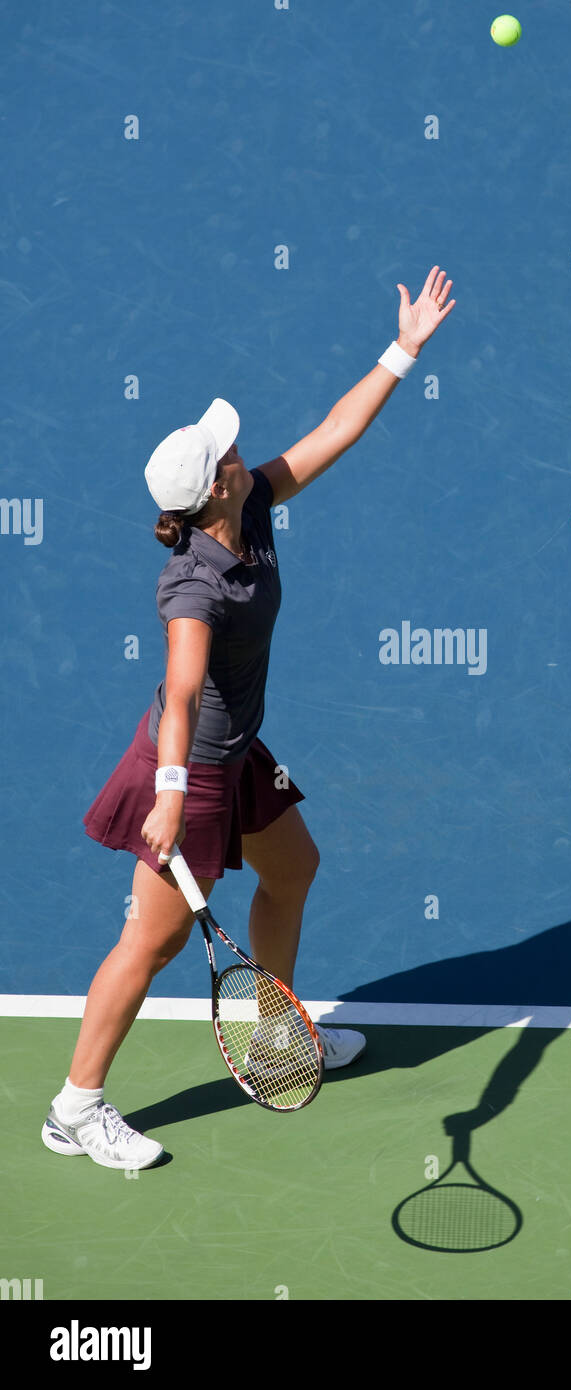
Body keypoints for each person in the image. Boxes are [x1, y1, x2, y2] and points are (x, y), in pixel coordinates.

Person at [42, 266, 456, 1169]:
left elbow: (333, 434)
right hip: (186, 772)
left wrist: (403, 349)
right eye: (228, 453)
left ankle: (273, 1039)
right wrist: (168, 788)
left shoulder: (251, 503)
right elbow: (182, 692)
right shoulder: (193, 586)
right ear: (213, 488)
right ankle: (76, 1107)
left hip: (236, 754)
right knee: (150, 945)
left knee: (294, 868)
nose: (241, 451)